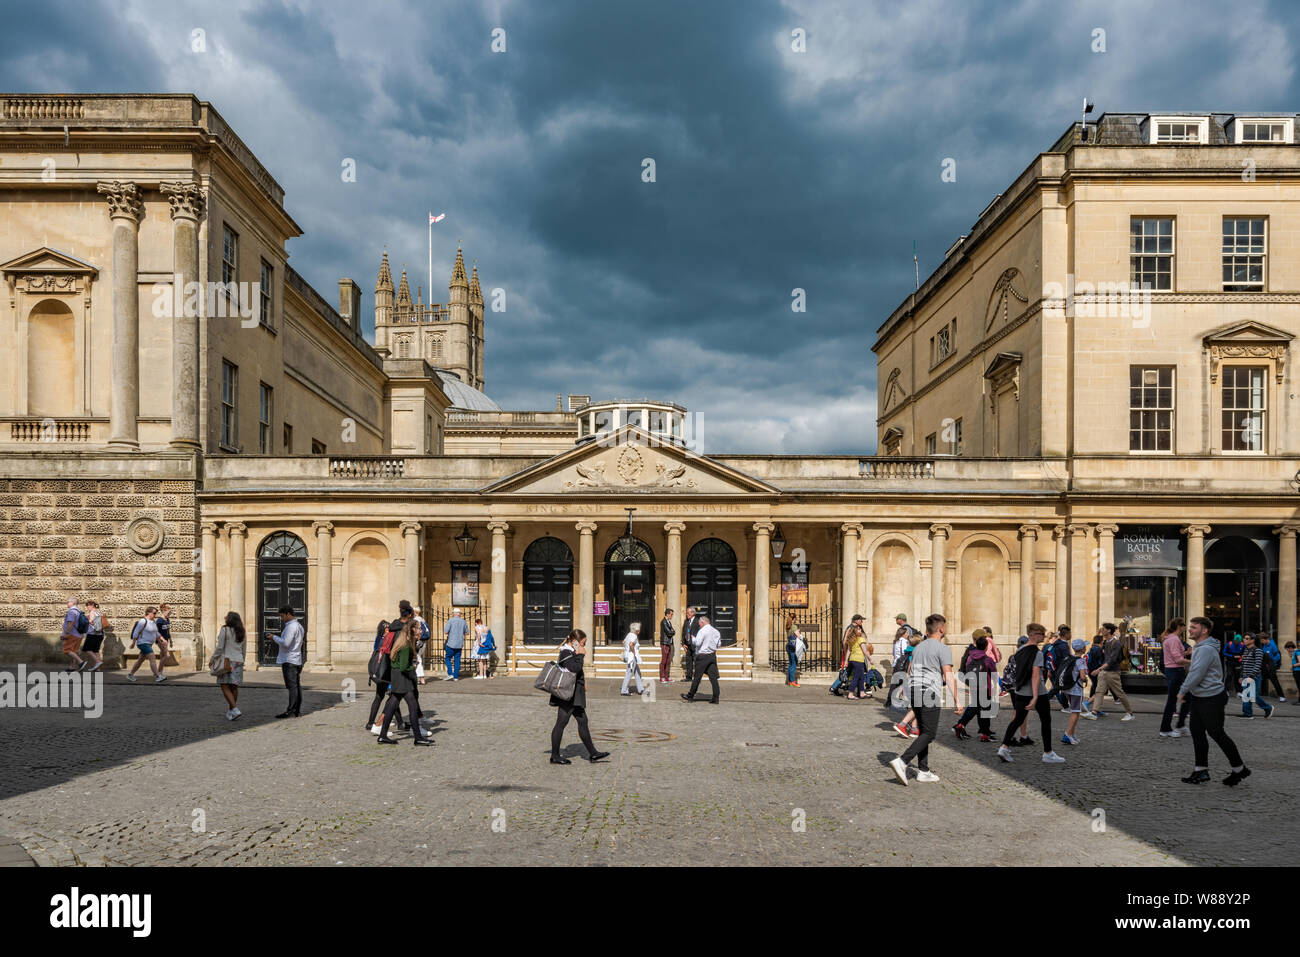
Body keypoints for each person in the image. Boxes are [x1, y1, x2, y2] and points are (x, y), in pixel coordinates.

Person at [1177, 617, 1249, 785]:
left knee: (1217, 733)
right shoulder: (1200, 648)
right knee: (1197, 732)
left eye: (1194, 627)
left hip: (1211, 698)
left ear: (1204, 630)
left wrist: (1182, 690)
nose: (1190, 630)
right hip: (1201, 696)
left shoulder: (1205, 650)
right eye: (1190, 627)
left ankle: (1239, 769)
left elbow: (1197, 673)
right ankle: (1200, 771)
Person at [889, 613, 958, 785]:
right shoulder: (942, 648)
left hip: (914, 689)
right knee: (929, 733)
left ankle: (924, 770)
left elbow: (910, 670)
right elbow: (948, 676)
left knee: (923, 730)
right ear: (941, 629)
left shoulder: (918, 647)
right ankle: (902, 761)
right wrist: (957, 700)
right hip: (929, 691)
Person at [997, 624, 1066, 764]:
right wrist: (1035, 696)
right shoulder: (1037, 653)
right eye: (1041, 634)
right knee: (1046, 720)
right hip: (1037, 692)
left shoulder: (1020, 650)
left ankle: (1004, 747)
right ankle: (1048, 753)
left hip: (1021, 690)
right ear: (1034, 634)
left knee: (1017, 719)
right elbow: (1035, 675)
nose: (1044, 637)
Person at [548, 629, 610, 764]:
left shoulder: (571, 652)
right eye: (583, 643)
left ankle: (593, 753)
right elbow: (574, 668)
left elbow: (576, 672)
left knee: (583, 721)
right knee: (561, 723)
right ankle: (555, 755)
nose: (584, 646)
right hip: (568, 694)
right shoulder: (566, 651)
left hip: (575, 693)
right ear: (575, 642)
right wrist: (581, 655)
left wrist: (583, 684)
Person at [376, 620, 432, 747]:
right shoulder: (406, 645)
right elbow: (402, 667)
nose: (420, 630)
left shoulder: (404, 642)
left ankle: (382, 735)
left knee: (392, 705)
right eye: (418, 628)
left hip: (397, 677)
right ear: (412, 630)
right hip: (403, 678)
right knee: (412, 706)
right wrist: (412, 666)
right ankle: (417, 737)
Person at [1083, 622, 1135, 721]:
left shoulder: (1116, 643)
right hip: (1104, 672)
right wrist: (1101, 670)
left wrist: (1098, 669)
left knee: (1119, 693)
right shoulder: (1106, 642)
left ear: (1109, 630)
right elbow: (1106, 658)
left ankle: (1130, 713)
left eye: (1104, 629)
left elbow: (1112, 660)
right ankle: (1094, 712)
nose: (1102, 630)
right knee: (1099, 692)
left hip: (1113, 672)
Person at [953, 633, 998, 741]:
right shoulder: (987, 659)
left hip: (973, 686)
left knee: (975, 707)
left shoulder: (970, 657)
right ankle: (984, 734)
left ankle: (961, 725)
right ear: (986, 647)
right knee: (985, 710)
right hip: (984, 686)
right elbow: (994, 673)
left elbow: (967, 668)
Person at [269, 604, 305, 718]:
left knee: (292, 686)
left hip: (290, 660)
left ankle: (291, 710)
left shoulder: (291, 627)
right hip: (295, 659)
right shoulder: (298, 626)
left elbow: (286, 643)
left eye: (282, 616)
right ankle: (296, 710)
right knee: (296, 686)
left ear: (288, 614)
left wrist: (273, 637)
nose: (281, 618)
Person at [1158, 618, 1192, 737]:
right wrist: (1192, 661)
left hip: (1174, 671)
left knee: (1186, 697)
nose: (1185, 628)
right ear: (1179, 626)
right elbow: (1177, 659)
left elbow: (1174, 655)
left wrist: (1185, 654)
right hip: (1175, 671)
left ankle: (1180, 725)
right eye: (1184, 625)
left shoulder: (1171, 638)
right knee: (1173, 700)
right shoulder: (1174, 639)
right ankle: (1166, 728)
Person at [681, 613, 721, 704]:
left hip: (703, 656)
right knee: (713, 677)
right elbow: (719, 644)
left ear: (703, 622)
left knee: (697, 677)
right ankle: (716, 697)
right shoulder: (716, 631)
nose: (699, 625)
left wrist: (693, 638)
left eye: (699, 623)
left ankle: (690, 695)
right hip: (712, 655)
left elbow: (697, 643)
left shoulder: (703, 631)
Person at [213, 611, 246, 720]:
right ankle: (231, 711)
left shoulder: (225, 630)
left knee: (224, 686)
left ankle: (235, 709)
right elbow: (244, 649)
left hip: (227, 661)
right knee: (234, 687)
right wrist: (242, 661)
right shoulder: (241, 631)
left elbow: (220, 647)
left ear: (229, 619)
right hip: (239, 661)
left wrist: (213, 659)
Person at [367, 619, 396, 733]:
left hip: (380, 672)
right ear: (385, 629)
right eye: (388, 628)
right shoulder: (385, 639)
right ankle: (398, 723)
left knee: (382, 697)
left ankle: (371, 722)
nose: (389, 630)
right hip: (385, 672)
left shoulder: (378, 639)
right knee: (393, 697)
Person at [1059, 638, 1089, 746]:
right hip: (1076, 690)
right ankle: (1067, 734)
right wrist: (1085, 679)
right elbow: (1082, 676)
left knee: (1074, 711)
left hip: (1067, 689)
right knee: (1075, 712)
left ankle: (1071, 734)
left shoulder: (1069, 658)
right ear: (1082, 649)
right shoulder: (1080, 661)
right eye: (1084, 646)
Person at [126, 606, 165, 682]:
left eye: (156, 613)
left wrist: (160, 642)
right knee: (152, 658)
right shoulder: (143, 621)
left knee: (140, 660)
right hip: (143, 643)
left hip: (149, 643)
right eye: (154, 613)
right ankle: (158, 676)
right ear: (148, 613)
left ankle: (130, 675)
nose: (155, 615)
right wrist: (133, 643)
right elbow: (136, 632)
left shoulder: (153, 622)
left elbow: (156, 633)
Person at [1238, 633, 1273, 719]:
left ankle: (1268, 708)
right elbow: (1244, 664)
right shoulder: (1246, 650)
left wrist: (1251, 676)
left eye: (1246, 638)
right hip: (1246, 676)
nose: (1244, 640)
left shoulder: (1258, 651)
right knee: (1246, 695)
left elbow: (1258, 665)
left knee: (1253, 695)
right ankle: (1247, 714)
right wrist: (1241, 676)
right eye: (1244, 638)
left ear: (1252, 640)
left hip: (1254, 677)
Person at [843, 623, 871, 699]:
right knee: (856, 677)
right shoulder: (861, 639)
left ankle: (862, 693)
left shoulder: (851, 640)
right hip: (858, 660)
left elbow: (849, 651)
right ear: (855, 631)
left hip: (852, 660)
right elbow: (865, 651)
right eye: (858, 629)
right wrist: (870, 659)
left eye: (860, 628)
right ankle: (850, 694)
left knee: (861, 677)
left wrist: (846, 661)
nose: (860, 630)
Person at [620, 621, 646, 696]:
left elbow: (623, 642)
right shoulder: (634, 636)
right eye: (639, 629)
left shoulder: (629, 634)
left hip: (628, 656)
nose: (640, 631)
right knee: (629, 673)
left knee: (637, 673)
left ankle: (640, 689)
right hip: (632, 658)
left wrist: (626, 649)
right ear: (637, 630)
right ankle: (624, 690)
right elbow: (631, 644)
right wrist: (634, 652)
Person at [59, 598, 85, 672]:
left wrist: (66, 634)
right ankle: (72, 667)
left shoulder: (72, 611)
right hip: (79, 635)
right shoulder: (79, 611)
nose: (67, 603)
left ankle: (81, 662)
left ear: (73, 603)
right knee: (73, 651)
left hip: (72, 634)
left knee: (67, 650)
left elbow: (71, 623)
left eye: (68, 602)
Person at [1258, 634, 1285, 702]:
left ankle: (1282, 696)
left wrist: (1271, 665)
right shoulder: (1264, 645)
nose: (1261, 642)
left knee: (1275, 682)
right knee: (1259, 678)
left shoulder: (1273, 646)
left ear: (1266, 639)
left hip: (1271, 667)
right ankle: (1257, 694)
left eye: (1262, 640)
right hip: (1265, 667)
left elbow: (1277, 656)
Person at [81, 601, 106, 672]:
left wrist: (87, 619)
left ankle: (98, 662)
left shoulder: (92, 612)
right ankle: (98, 668)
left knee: (87, 649)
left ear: (92, 605)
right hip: (100, 634)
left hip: (92, 634)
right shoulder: (99, 612)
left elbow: (91, 621)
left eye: (88, 606)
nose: (87, 607)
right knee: (96, 650)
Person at [443, 609, 467, 681]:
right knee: (457, 660)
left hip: (451, 643)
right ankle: (456, 677)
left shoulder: (450, 621)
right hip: (459, 644)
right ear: (459, 614)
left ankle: (450, 674)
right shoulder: (463, 622)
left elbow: (446, 631)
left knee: (447, 658)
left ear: (454, 613)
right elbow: (467, 632)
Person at [681, 606, 700, 682]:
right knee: (688, 662)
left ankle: (697, 678)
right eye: (686, 613)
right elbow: (683, 633)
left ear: (693, 613)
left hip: (695, 645)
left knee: (696, 662)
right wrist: (683, 643)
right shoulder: (686, 621)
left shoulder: (697, 621)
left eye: (688, 613)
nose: (687, 614)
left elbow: (700, 633)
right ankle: (688, 677)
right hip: (687, 645)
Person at [154, 602, 173, 673]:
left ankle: (159, 672)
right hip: (161, 641)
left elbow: (168, 631)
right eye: (168, 612)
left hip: (166, 640)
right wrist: (160, 639)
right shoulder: (159, 621)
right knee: (167, 655)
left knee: (162, 656)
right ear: (163, 611)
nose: (169, 614)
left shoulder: (167, 620)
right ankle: (158, 672)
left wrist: (170, 640)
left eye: (170, 613)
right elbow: (155, 631)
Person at [412, 606, 430, 685]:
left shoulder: (415, 620)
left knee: (417, 659)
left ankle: (422, 678)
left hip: (418, 642)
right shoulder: (422, 619)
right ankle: (418, 678)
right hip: (424, 642)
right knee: (417, 658)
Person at [785, 613, 802, 687]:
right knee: (794, 664)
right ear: (794, 619)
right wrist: (799, 631)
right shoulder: (794, 626)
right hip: (793, 647)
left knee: (790, 664)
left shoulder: (788, 626)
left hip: (789, 645)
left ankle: (789, 681)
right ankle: (792, 681)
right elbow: (798, 636)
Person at [659, 608, 675, 683]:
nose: (672, 616)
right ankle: (661, 677)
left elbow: (673, 630)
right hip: (665, 643)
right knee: (664, 661)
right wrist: (672, 632)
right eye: (671, 614)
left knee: (668, 661)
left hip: (669, 643)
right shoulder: (664, 622)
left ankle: (666, 677)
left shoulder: (669, 622)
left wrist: (672, 631)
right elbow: (669, 632)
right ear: (667, 614)